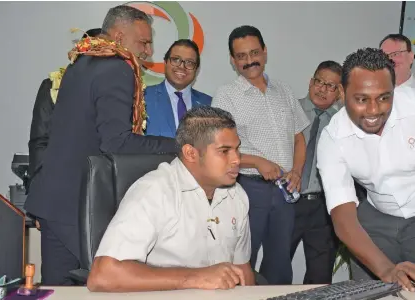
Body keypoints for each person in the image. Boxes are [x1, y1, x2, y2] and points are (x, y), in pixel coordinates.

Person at [24, 6, 179, 286]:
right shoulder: (117, 69)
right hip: (78, 206)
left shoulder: (80, 63)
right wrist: (177, 146)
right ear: (119, 37)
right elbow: (116, 142)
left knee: (58, 288)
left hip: (54, 201)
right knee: (101, 286)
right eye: (143, 42)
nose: (148, 51)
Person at [316, 48, 415, 291]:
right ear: (342, 92)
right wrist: (386, 270)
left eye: (384, 97)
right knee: (370, 292)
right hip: (376, 218)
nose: (374, 110)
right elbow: (342, 216)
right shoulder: (333, 137)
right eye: (361, 99)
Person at [87, 106, 254, 292]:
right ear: (191, 153)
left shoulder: (236, 194)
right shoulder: (154, 191)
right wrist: (197, 277)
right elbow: (103, 275)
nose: (237, 160)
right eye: (224, 151)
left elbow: (241, 268)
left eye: (237, 149)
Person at [211, 25, 309, 284]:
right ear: (233, 61)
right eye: (241, 56)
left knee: (280, 260)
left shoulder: (284, 90)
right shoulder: (226, 95)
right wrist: (256, 161)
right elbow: (219, 149)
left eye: (254, 52)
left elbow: (299, 138)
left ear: (265, 52)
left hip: (285, 189)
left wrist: (297, 172)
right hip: (247, 189)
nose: (249, 61)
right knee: (244, 260)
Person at [27, 28, 102, 196]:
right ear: (81, 53)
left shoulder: (123, 92)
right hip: (61, 188)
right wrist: (39, 194)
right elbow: (40, 143)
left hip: (106, 190)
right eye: (94, 51)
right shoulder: (53, 86)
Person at [290, 60, 342, 284]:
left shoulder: (342, 122)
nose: (323, 89)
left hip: (323, 207)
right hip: (288, 201)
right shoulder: (290, 110)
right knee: (276, 269)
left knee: (320, 276)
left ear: (339, 92)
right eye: (319, 82)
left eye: (331, 86)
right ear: (311, 82)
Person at [145, 39, 212, 138]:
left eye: (189, 62)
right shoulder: (143, 97)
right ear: (165, 62)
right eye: (176, 60)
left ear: (196, 69)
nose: (182, 66)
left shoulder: (209, 104)